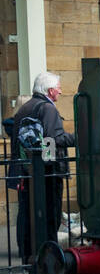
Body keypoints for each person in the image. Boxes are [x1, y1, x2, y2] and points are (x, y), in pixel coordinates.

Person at [9, 72, 74, 262]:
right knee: (50, 214)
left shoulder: (25, 108)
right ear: (50, 90)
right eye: (59, 88)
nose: (61, 91)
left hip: (27, 170)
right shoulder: (47, 108)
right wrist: (79, 137)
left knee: (28, 213)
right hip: (48, 172)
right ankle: (50, 257)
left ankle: (28, 256)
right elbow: (55, 138)